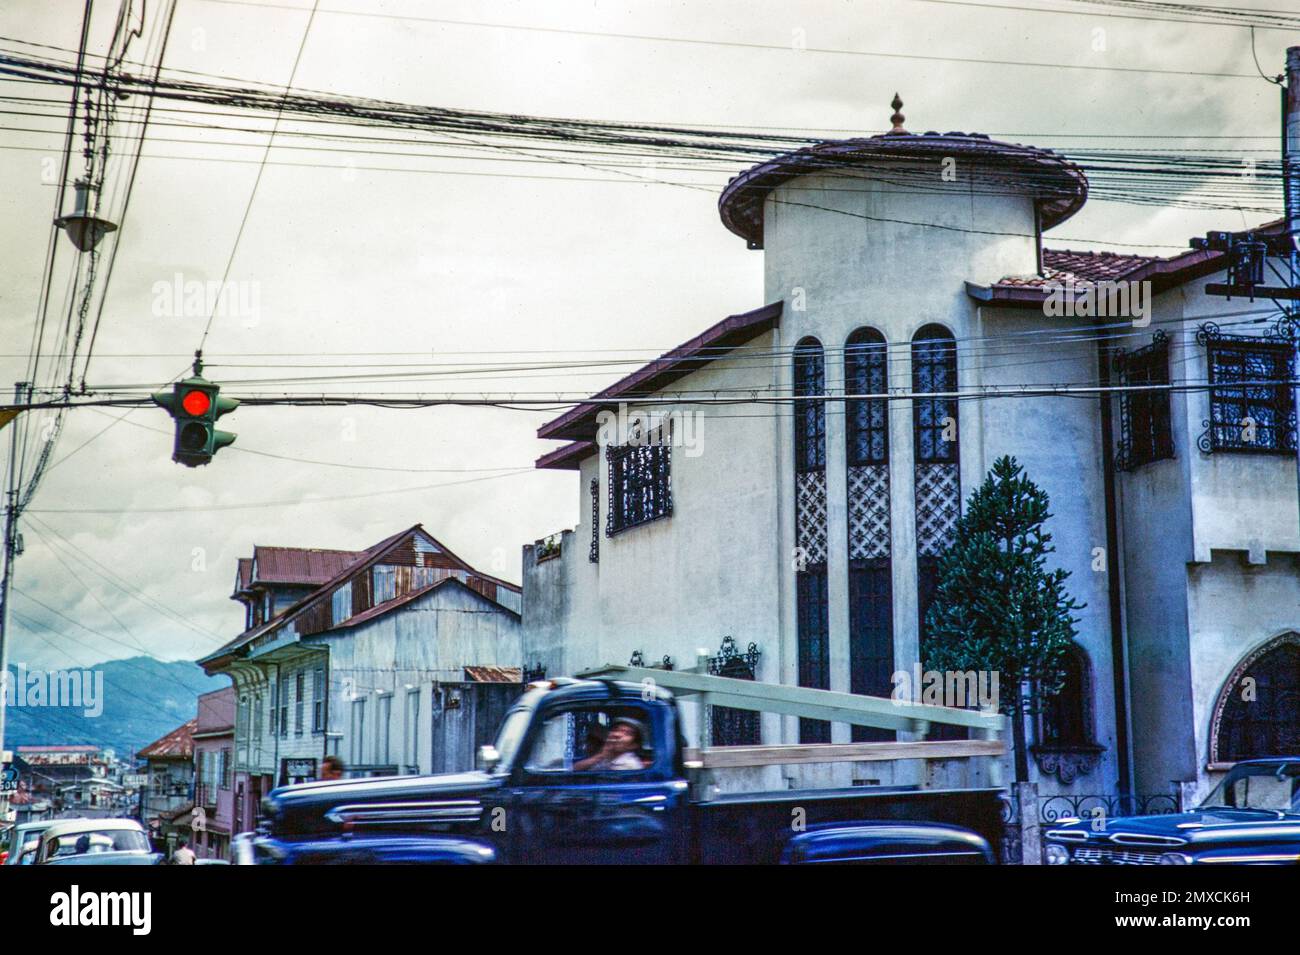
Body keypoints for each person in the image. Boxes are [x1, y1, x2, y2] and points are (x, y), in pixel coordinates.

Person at [573, 717, 648, 771]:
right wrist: (600, 756)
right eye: (616, 730)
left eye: (627, 733)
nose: (617, 735)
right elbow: (575, 769)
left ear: (633, 745)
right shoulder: (607, 758)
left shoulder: (629, 765)